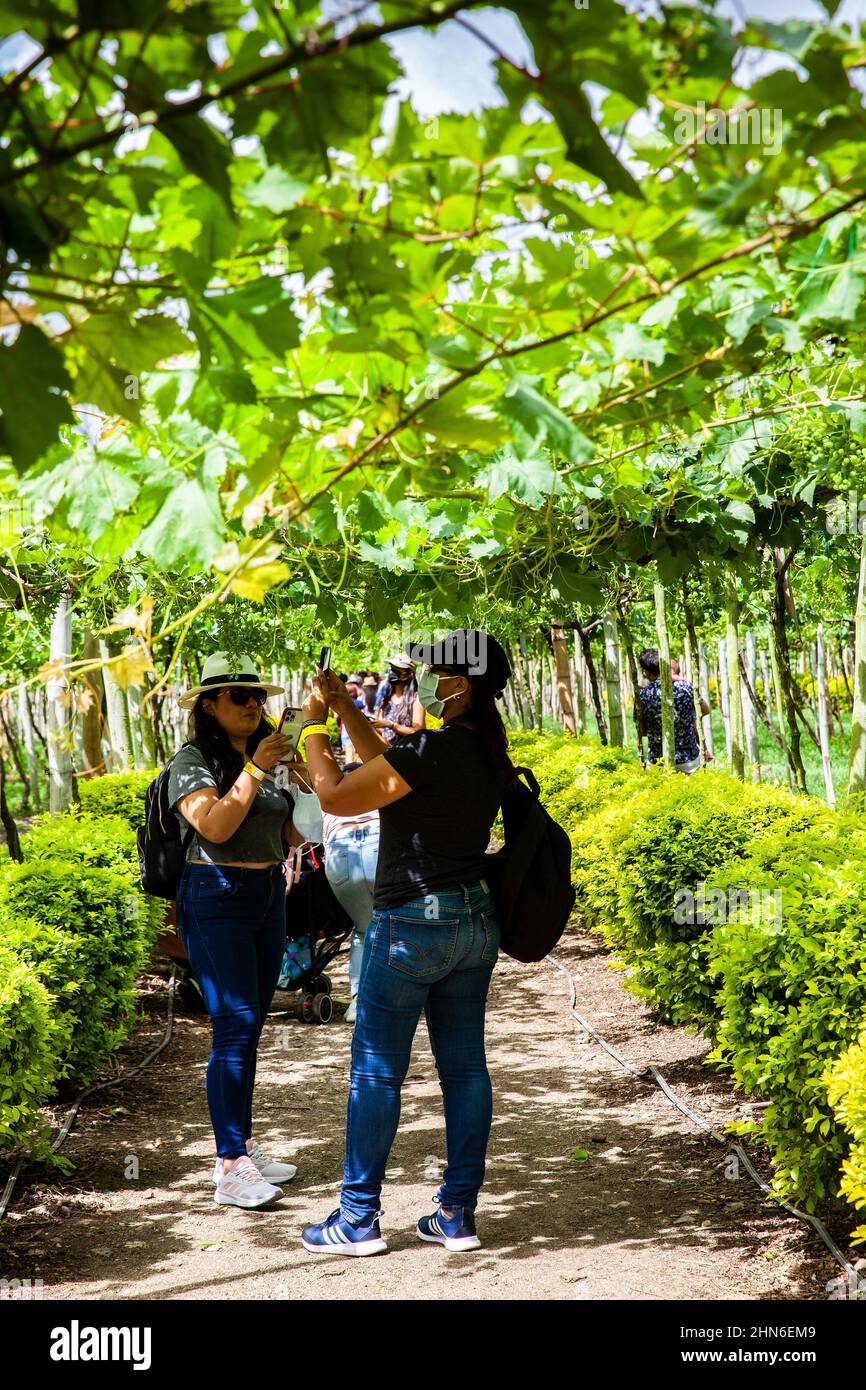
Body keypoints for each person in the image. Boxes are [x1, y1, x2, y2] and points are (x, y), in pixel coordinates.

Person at [297, 629, 512, 1257]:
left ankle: (357, 1218)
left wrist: (313, 728)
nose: (424, 685)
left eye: (436, 675)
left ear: (460, 684)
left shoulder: (435, 753)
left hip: (411, 923)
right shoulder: (482, 751)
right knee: (465, 1068)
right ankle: (457, 1214)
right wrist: (343, 710)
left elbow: (335, 794)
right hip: (474, 922)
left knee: (377, 1070)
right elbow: (396, 770)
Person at [171, 652, 300, 1209]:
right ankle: (228, 1166)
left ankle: (242, 1144)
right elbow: (217, 826)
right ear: (209, 705)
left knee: (252, 1023)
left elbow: (294, 836)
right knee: (234, 1024)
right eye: (239, 696)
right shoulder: (193, 761)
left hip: (267, 894)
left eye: (258, 697)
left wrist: (301, 775)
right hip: (215, 894)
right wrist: (255, 771)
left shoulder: (264, 758)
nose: (253, 705)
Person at [322, 761, 380, 1024]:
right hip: (378, 846)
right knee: (391, 924)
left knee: (363, 929)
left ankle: (358, 1002)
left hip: (340, 853)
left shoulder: (330, 799)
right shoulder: (378, 792)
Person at [636, 648, 710, 774]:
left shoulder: (643, 695)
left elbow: (642, 730)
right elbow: (705, 710)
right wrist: (686, 720)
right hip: (689, 760)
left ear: (645, 672)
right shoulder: (686, 687)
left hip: (658, 762)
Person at [373, 655, 425, 743]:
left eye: (396, 668)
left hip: (407, 751)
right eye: (391, 667)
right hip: (387, 751)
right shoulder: (386, 698)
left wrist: (392, 726)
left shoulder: (416, 700)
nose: (391, 671)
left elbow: (417, 732)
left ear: (409, 673)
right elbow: (382, 730)